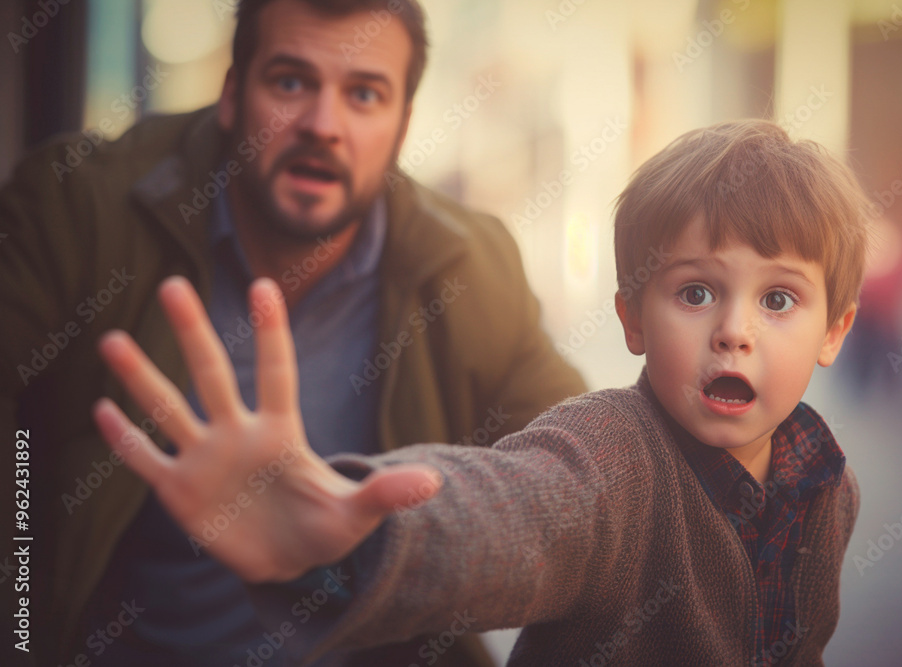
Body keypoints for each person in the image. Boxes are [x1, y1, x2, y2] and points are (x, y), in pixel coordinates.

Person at [94, 119, 869, 666]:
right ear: (632, 318)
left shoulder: (827, 486)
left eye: (778, 300)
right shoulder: (612, 462)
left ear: (835, 330)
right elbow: (510, 508)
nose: (735, 330)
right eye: (696, 292)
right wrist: (347, 535)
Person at [0, 0, 585, 664]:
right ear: (231, 95)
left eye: (364, 94)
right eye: (290, 82)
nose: (322, 125)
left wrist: (377, 538)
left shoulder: (473, 266)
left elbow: (569, 487)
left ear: (403, 125)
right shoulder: (77, 205)